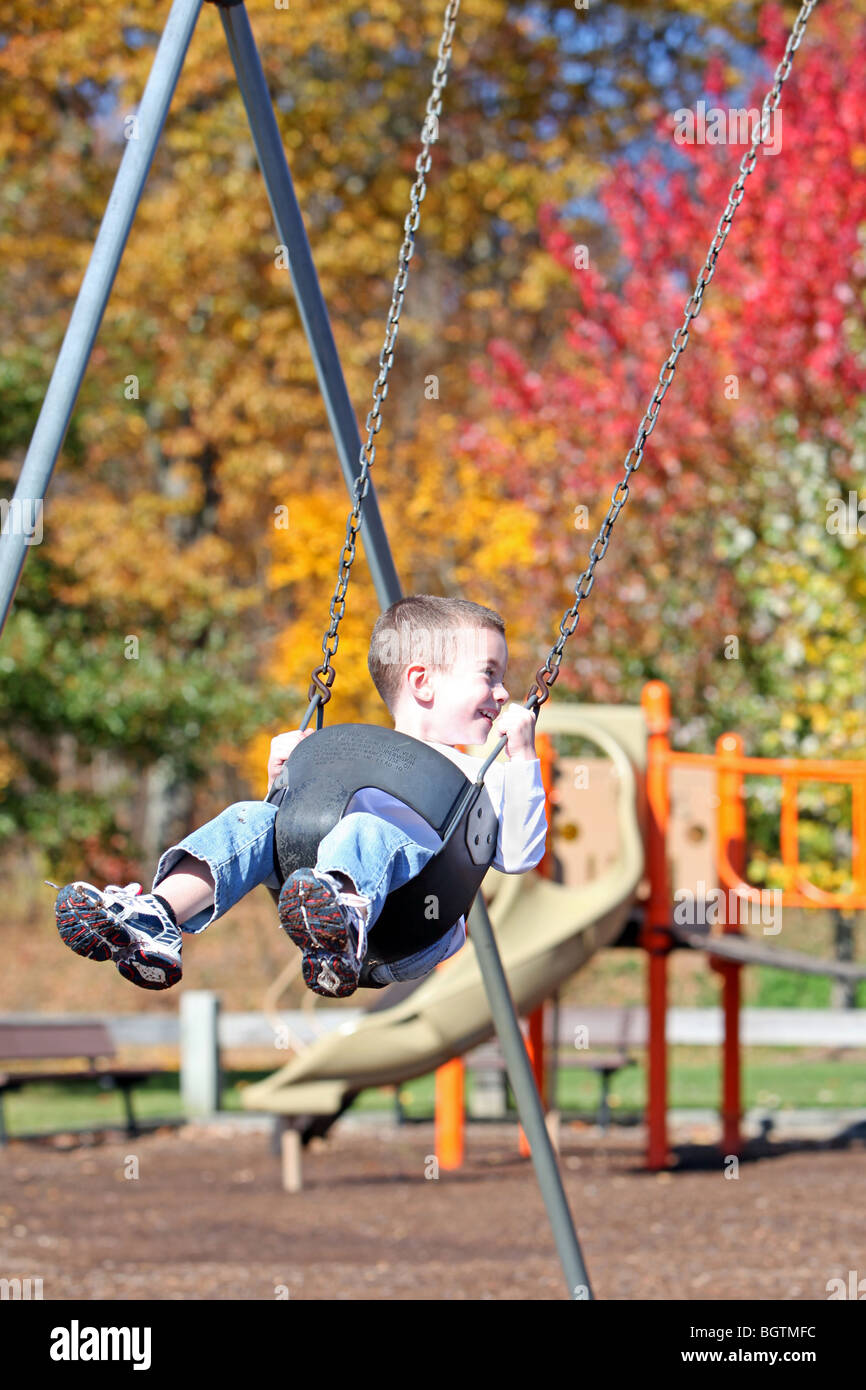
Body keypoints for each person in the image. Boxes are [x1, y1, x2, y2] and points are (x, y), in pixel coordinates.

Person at [54, 595, 548, 997]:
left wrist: (524, 758)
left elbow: (521, 856)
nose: (504, 692)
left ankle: (341, 917)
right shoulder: (351, 756)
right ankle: (157, 918)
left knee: (366, 830)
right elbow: (289, 832)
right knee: (250, 815)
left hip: (415, 923)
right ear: (422, 683)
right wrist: (283, 782)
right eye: (489, 674)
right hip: (316, 898)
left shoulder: (482, 774)